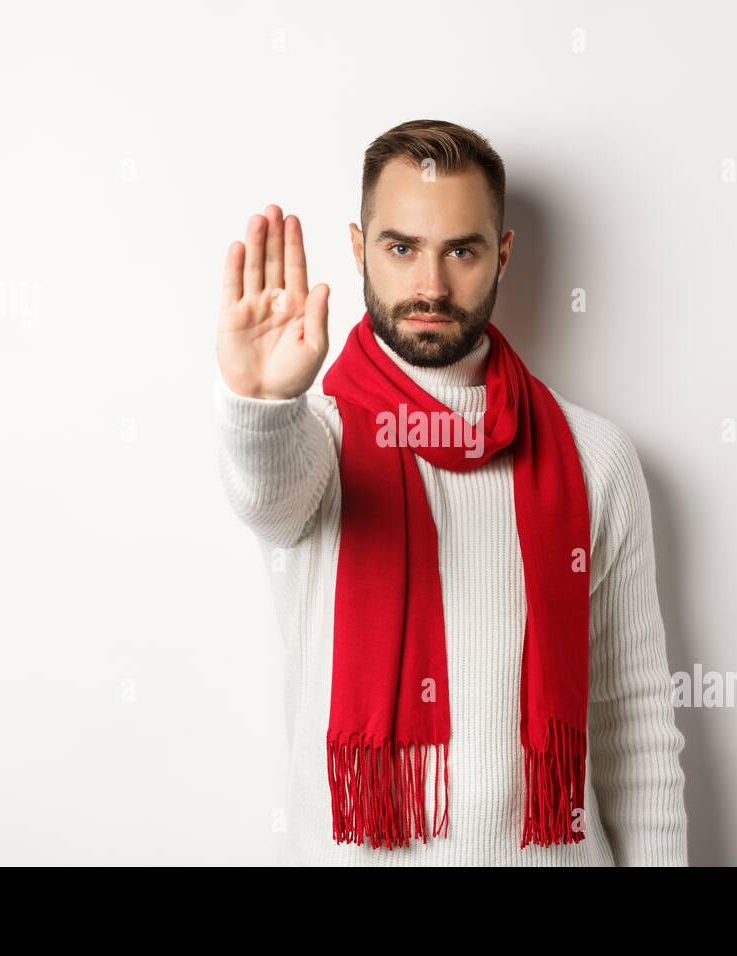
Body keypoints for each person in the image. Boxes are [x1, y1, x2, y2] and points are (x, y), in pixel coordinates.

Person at [215, 119, 687, 866]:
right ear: (358, 247)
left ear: (501, 255)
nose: (430, 286)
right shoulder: (320, 438)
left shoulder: (596, 457)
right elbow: (267, 496)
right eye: (401, 248)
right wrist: (264, 406)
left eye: (460, 251)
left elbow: (635, 725)